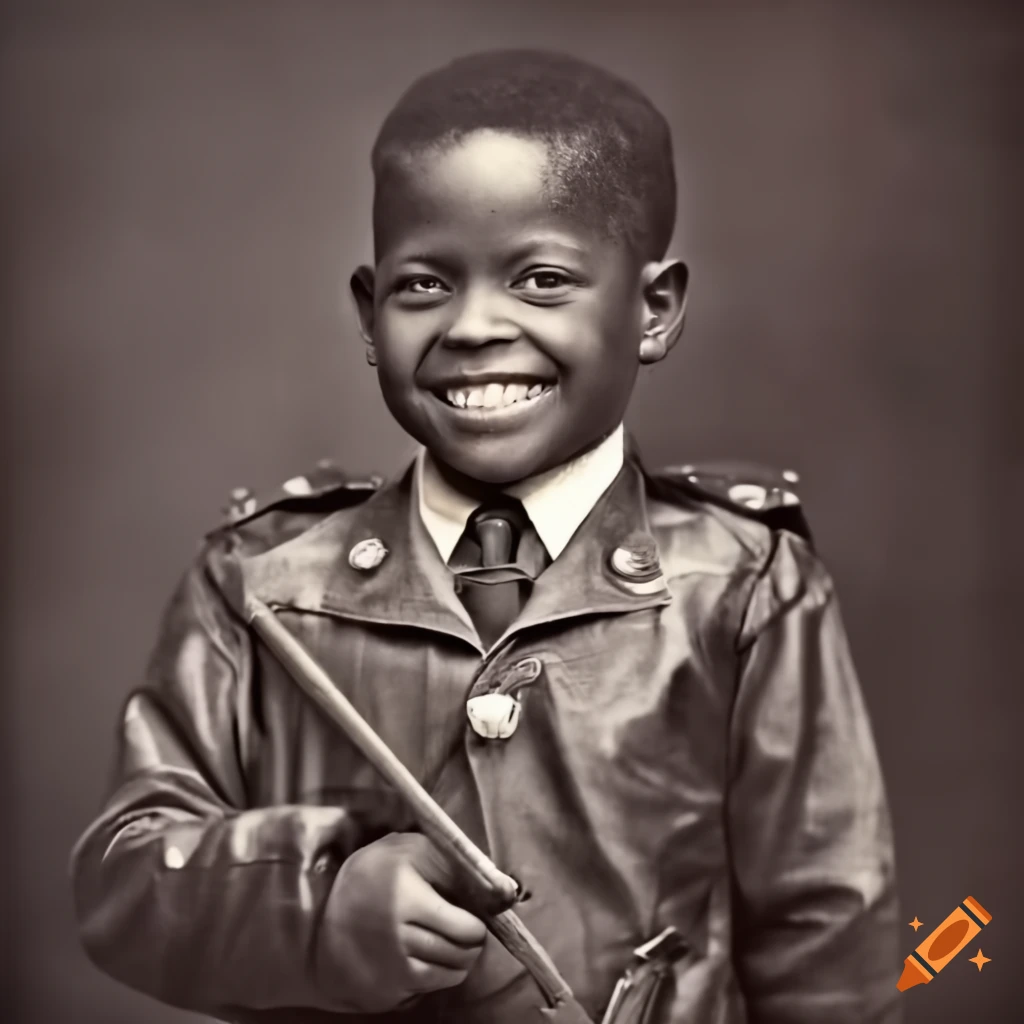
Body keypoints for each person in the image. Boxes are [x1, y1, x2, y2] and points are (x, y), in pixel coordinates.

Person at [70, 50, 901, 1024]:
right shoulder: (260, 580)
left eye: (541, 278)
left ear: (653, 308)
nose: (473, 326)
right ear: (368, 314)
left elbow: (827, 939)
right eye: (424, 285)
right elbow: (126, 877)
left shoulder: (745, 584)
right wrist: (317, 909)